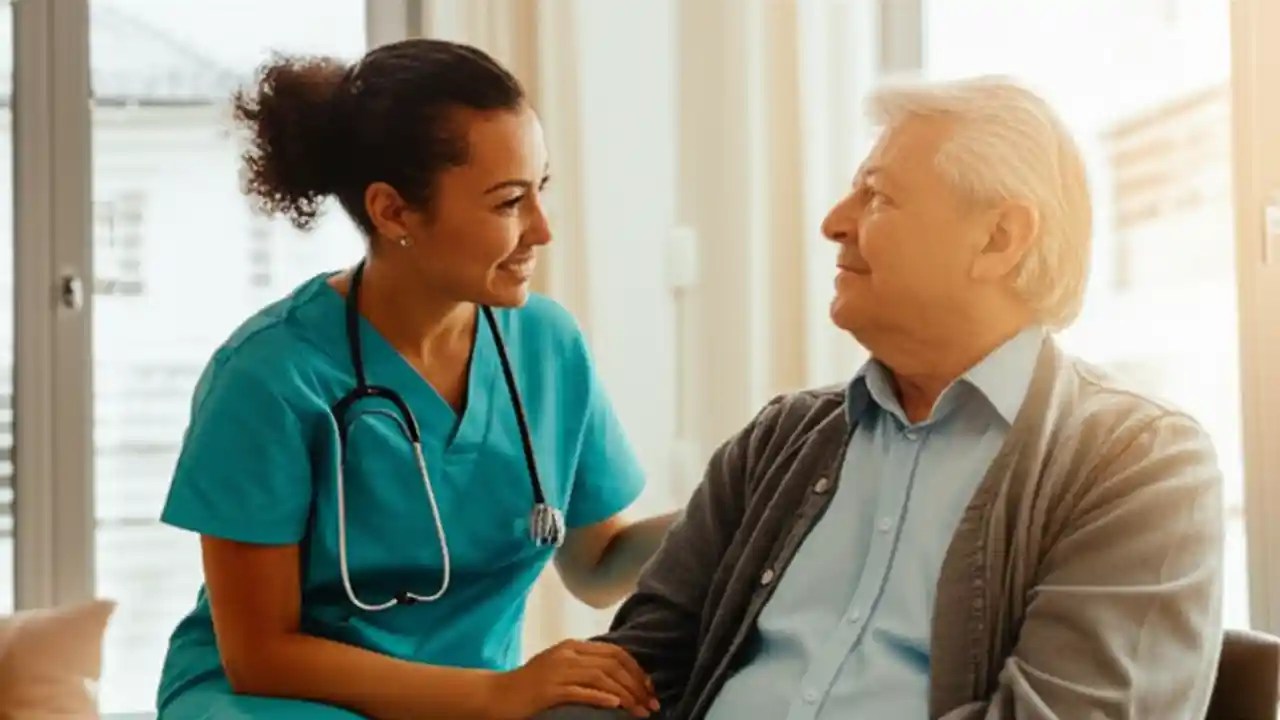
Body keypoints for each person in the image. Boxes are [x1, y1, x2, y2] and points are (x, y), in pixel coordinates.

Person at [538, 75, 1225, 719]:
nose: (834, 223)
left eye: (877, 196)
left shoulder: (1139, 464)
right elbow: (626, 673)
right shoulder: (779, 440)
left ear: (999, 239)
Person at [156, 38, 674, 720]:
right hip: (282, 704)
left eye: (540, 191)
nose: (542, 231)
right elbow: (260, 656)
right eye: (508, 203)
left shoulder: (547, 345)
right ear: (393, 211)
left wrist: (738, 508)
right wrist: (497, 694)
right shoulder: (268, 376)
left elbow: (597, 566)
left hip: (462, 705)